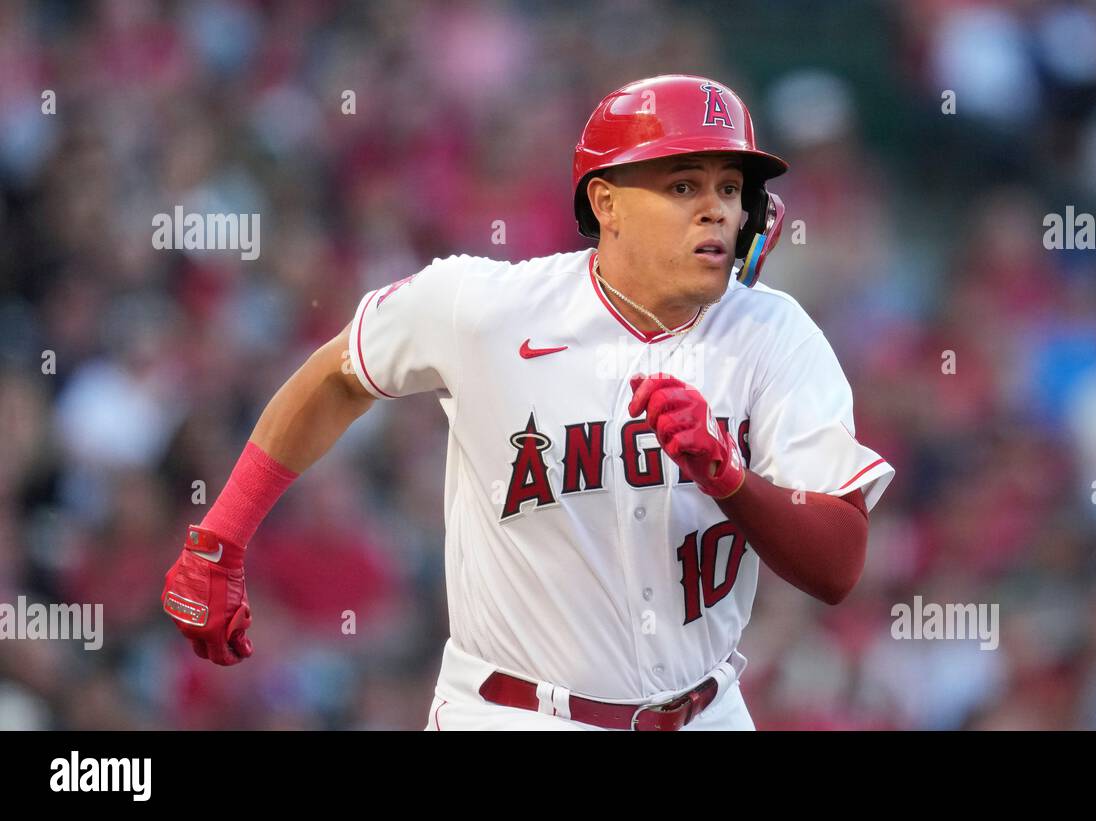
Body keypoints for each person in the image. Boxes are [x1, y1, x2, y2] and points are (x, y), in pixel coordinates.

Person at [162, 74, 894, 731]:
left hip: (707, 709)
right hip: (515, 712)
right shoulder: (486, 308)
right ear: (605, 202)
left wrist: (728, 476)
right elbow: (339, 374)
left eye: (729, 189)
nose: (715, 210)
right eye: (683, 186)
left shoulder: (775, 334)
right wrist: (222, 535)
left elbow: (838, 566)